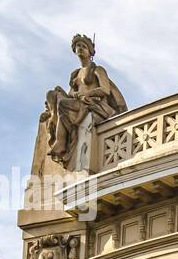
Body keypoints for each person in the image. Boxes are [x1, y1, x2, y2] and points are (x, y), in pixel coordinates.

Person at [41, 34, 128, 168]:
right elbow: (71, 94)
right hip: (79, 102)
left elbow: (105, 90)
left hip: (93, 104)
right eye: (78, 46)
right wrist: (67, 93)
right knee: (52, 94)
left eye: (83, 46)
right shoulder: (75, 74)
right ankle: (54, 121)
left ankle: (60, 141)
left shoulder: (97, 69)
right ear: (74, 50)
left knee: (63, 104)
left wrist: (86, 94)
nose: (80, 48)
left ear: (90, 52)